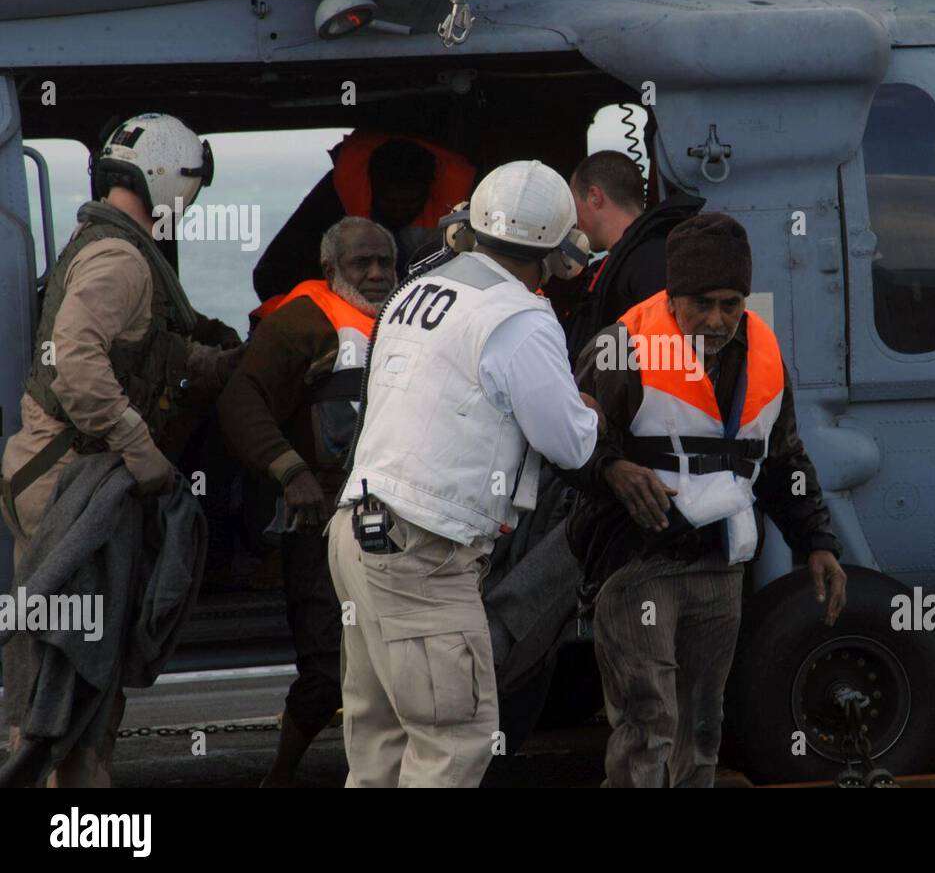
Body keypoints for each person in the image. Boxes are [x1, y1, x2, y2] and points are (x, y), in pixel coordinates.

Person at [327, 160, 602, 787]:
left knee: (380, 743)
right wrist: (592, 414)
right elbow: (571, 446)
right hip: (423, 551)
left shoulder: (419, 291)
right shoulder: (523, 319)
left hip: (358, 531)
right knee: (455, 739)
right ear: (557, 253)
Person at [0, 112, 242, 787]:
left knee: (79, 670)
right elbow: (78, 365)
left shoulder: (107, 245)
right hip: (75, 483)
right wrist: (145, 455)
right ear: (168, 180)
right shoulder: (119, 257)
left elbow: (132, 349)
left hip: (68, 476)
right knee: (73, 676)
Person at [565, 212, 847, 788]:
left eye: (731, 303)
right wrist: (612, 467)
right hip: (638, 565)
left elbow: (783, 457)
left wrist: (817, 541)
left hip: (720, 567)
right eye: (702, 303)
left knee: (701, 727)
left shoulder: (762, 352)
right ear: (673, 295)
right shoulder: (622, 348)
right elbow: (563, 440)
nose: (717, 320)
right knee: (647, 722)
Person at [218, 216, 397, 786]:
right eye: (359, 264)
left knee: (395, 662)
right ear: (329, 270)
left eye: (384, 263)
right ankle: (280, 776)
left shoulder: (409, 318)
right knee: (325, 670)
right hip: (317, 520)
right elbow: (240, 399)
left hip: (393, 520)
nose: (375, 274)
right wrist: (289, 469)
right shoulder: (301, 324)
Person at [251, 130, 475, 301]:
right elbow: (270, 275)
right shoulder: (335, 201)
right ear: (370, 188)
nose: (399, 209)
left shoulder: (458, 216)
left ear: (430, 193)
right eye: (389, 200)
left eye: (409, 202)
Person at [565, 150, 704, 363]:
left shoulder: (650, 261)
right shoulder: (632, 259)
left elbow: (666, 358)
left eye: (574, 203)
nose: (573, 219)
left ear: (595, 196)